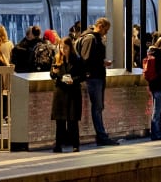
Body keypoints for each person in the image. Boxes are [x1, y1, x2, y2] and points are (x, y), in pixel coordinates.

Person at [76, 17, 119, 145]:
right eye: (106, 29)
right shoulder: (91, 39)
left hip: (96, 76)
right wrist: (101, 62)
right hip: (94, 77)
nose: (106, 32)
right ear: (100, 26)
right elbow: (86, 59)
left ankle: (102, 135)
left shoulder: (93, 38)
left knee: (98, 107)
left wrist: (101, 62)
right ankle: (101, 136)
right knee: (97, 107)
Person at [50, 36, 85, 153]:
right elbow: (52, 75)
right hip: (60, 92)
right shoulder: (57, 59)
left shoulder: (77, 60)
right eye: (61, 47)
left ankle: (75, 144)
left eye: (65, 47)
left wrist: (73, 80)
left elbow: (83, 75)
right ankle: (58, 145)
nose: (63, 50)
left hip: (73, 92)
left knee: (72, 120)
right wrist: (55, 73)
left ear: (70, 47)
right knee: (59, 121)